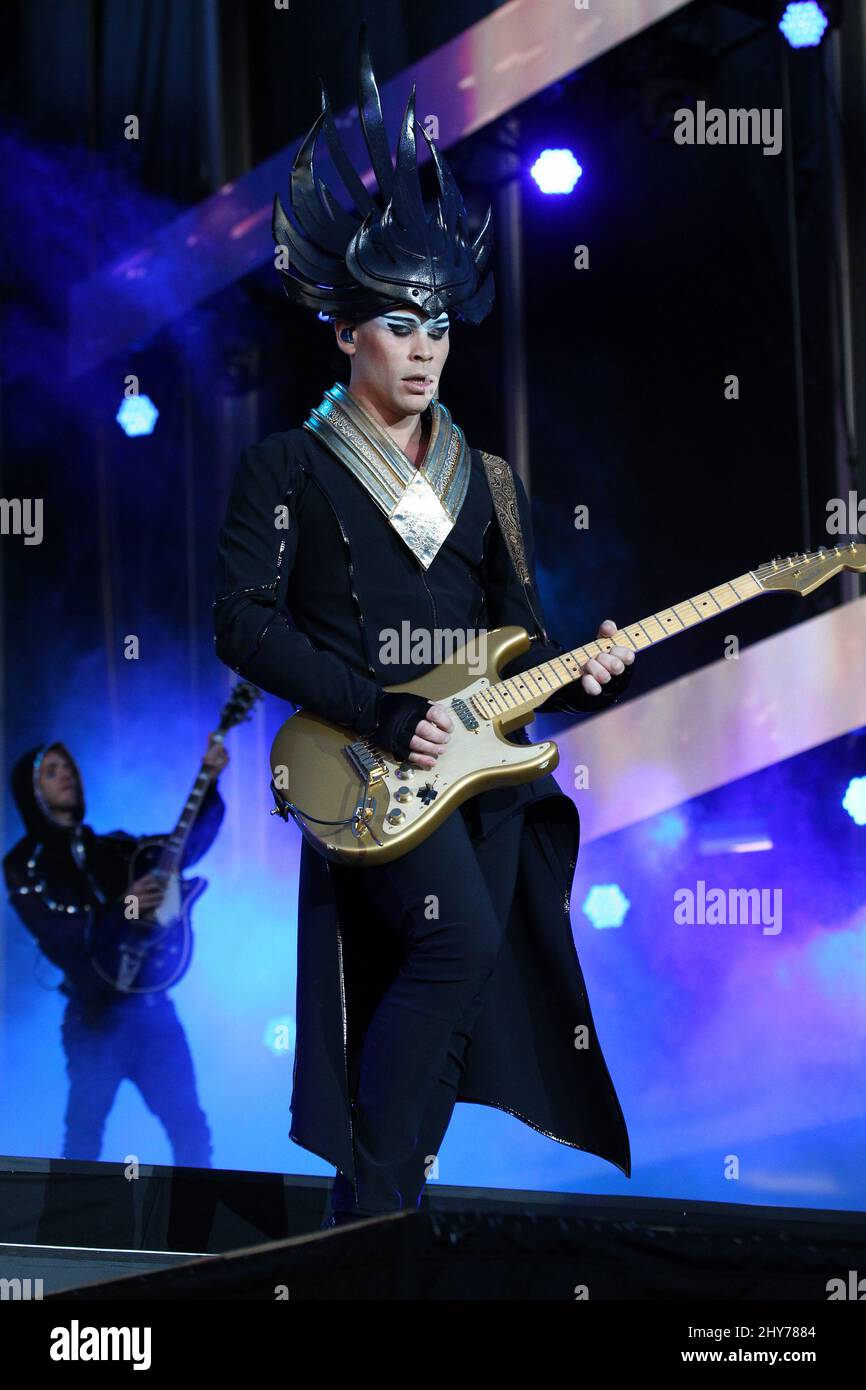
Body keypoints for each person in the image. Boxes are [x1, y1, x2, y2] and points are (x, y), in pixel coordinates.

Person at [213, 25, 636, 1223]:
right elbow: (238, 622)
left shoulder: (489, 477)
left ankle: (393, 1212)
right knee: (445, 951)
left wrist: (581, 665)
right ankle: (373, 1219)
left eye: (438, 325)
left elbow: (522, 633)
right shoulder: (287, 469)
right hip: (366, 761)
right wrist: (378, 708)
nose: (424, 347)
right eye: (398, 324)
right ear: (345, 330)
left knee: (465, 974)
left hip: (479, 772)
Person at [4, 737, 227, 1166]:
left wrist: (210, 782)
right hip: (93, 1018)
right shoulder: (24, 865)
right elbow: (58, 934)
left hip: (153, 1011)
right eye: (50, 771)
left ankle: (190, 1233)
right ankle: (68, 1231)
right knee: (84, 1140)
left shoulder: (116, 848)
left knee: (191, 1132)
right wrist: (123, 908)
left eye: (67, 765)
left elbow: (184, 848)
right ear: (31, 793)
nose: (66, 773)